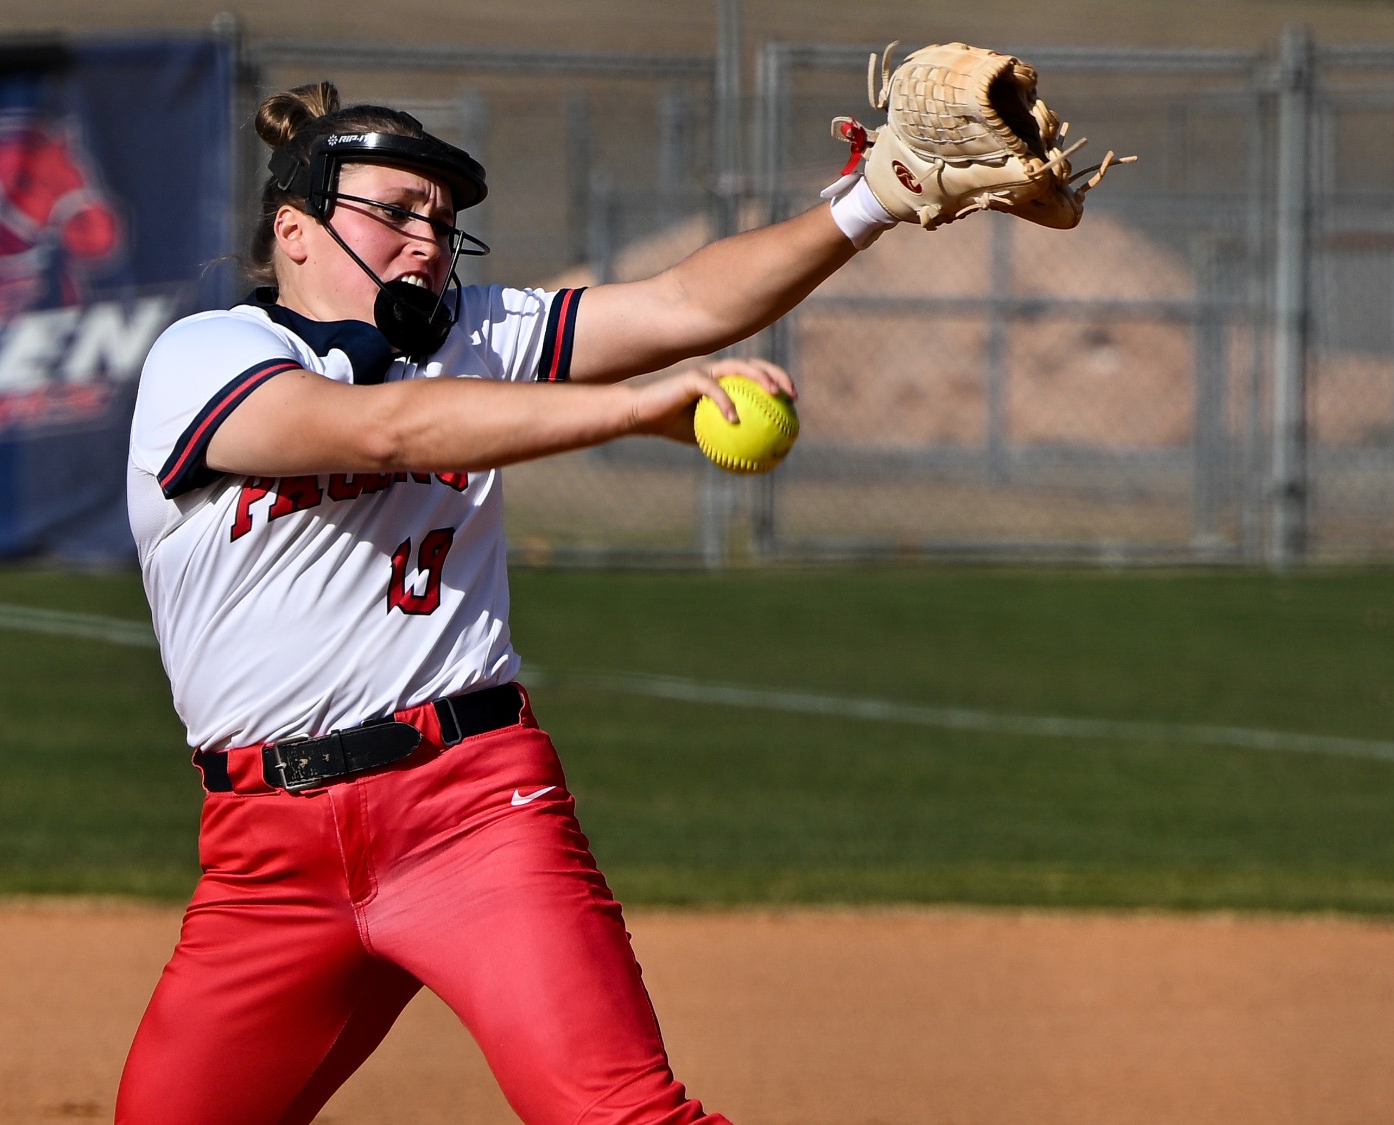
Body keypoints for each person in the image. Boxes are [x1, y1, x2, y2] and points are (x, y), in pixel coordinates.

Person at [118, 81, 903, 1125]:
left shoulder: (476, 334)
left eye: (442, 221)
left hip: (471, 814)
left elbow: (686, 306)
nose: (427, 239)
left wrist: (872, 201)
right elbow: (382, 432)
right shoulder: (208, 355)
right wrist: (627, 408)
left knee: (619, 1115)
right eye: (396, 210)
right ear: (294, 229)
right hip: (263, 862)